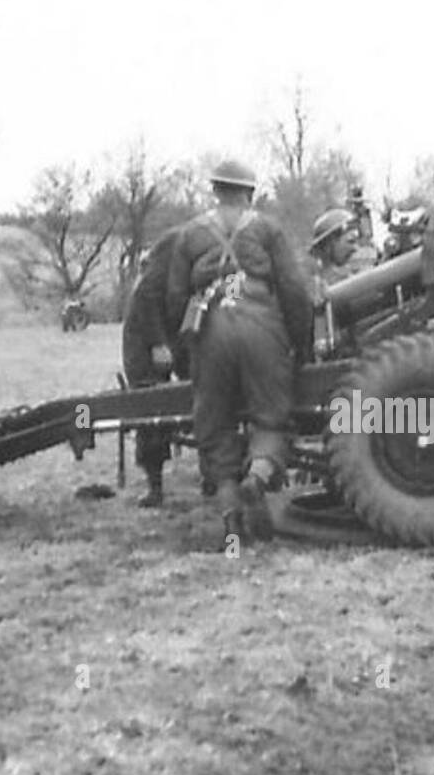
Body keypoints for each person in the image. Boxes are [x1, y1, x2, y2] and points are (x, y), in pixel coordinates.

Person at [165, 160, 313, 543]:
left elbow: (174, 297)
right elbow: (295, 292)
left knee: (214, 425)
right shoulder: (268, 228)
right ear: (249, 192)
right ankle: (259, 476)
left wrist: (183, 355)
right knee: (271, 416)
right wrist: (302, 346)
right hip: (260, 323)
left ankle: (231, 517)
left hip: (210, 327)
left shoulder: (190, 234)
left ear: (215, 190)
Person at [120, 228, 184, 507]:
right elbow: (147, 295)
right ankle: (154, 488)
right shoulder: (177, 248)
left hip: (172, 333)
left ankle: (214, 474)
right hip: (143, 340)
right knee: (150, 406)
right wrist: (159, 343)